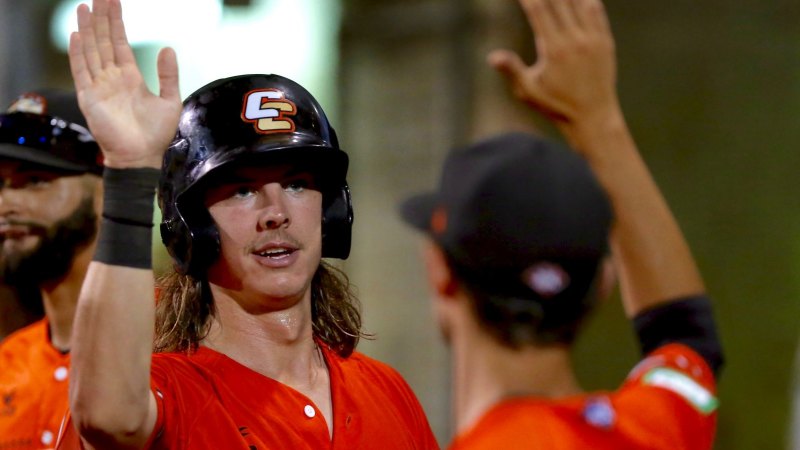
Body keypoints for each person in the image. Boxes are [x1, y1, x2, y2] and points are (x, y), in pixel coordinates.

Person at [57, 0, 438, 448]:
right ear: (190, 227)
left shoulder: (387, 391)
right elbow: (108, 417)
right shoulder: (167, 394)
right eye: (241, 190)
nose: (276, 212)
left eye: (296, 184)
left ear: (331, 211)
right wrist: (129, 173)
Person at [399, 0, 724, 448]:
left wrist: (594, 120)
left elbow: (688, 336)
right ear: (603, 284)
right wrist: (598, 120)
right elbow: (686, 338)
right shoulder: (655, 429)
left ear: (438, 270)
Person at [0, 88, 103, 449]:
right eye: (1, 184)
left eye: (35, 181)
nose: (6, 203)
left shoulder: (176, 337)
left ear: (107, 192)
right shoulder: (8, 361)